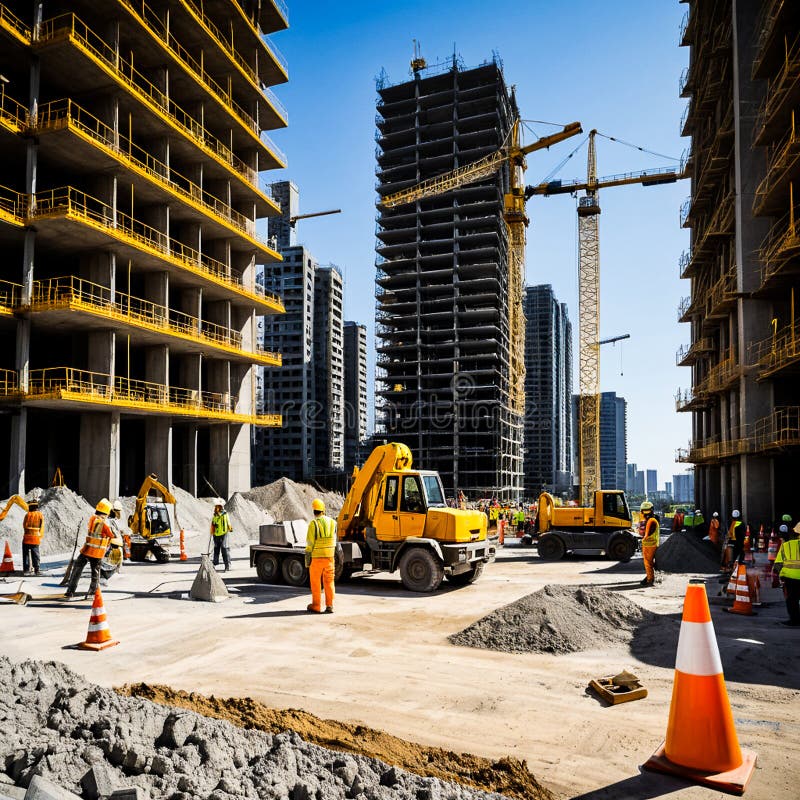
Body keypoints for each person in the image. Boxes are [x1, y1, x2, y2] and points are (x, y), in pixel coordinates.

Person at [65, 498, 116, 599]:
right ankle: (92, 594)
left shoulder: (92, 519)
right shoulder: (104, 524)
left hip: (86, 550)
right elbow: (112, 535)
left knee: (77, 570)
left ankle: (70, 591)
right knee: (95, 574)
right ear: (106, 513)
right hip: (97, 553)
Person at [305, 498, 337, 613]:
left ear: (314, 511)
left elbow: (310, 544)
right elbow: (334, 540)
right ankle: (330, 605)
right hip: (329, 558)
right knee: (329, 581)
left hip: (317, 558)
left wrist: (307, 560)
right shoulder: (333, 522)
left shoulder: (314, 524)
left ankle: (316, 605)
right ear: (323, 510)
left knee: (315, 582)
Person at [773, 522, 800, 627]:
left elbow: (778, 564)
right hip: (791, 577)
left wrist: (777, 573)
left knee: (792, 600)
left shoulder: (786, 545)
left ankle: (794, 620)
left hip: (790, 578)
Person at [637, 501, 660, 586]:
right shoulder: (652, 520)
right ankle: (650, 577)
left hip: (649, 545)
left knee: (648, 563)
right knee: (650, 563)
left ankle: (650, 580)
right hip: (652, 544)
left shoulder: (650, 521)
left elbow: (646, 534)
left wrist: (641, 537)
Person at [21, 499, 44, 576]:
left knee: (26, 554)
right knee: (35, 554)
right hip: (35, 538)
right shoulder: (40, 515)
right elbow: (42, 526)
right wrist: (40, 535)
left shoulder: (27, 515)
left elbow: (24, 525)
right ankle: (36, 570)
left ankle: (26, 570)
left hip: (27, 538)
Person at [210, 503, 232, 571]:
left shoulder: (225, 514)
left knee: (224, 548)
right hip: (216, 535)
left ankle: (227, 565)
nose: (216, 509)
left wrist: (230, 527)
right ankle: (215, 563)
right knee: (216, 549)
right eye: (216, 507)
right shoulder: (214, 515)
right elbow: (213, 524)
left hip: (224, 534)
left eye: (217, 507)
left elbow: (228, 522)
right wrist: (212, 531)